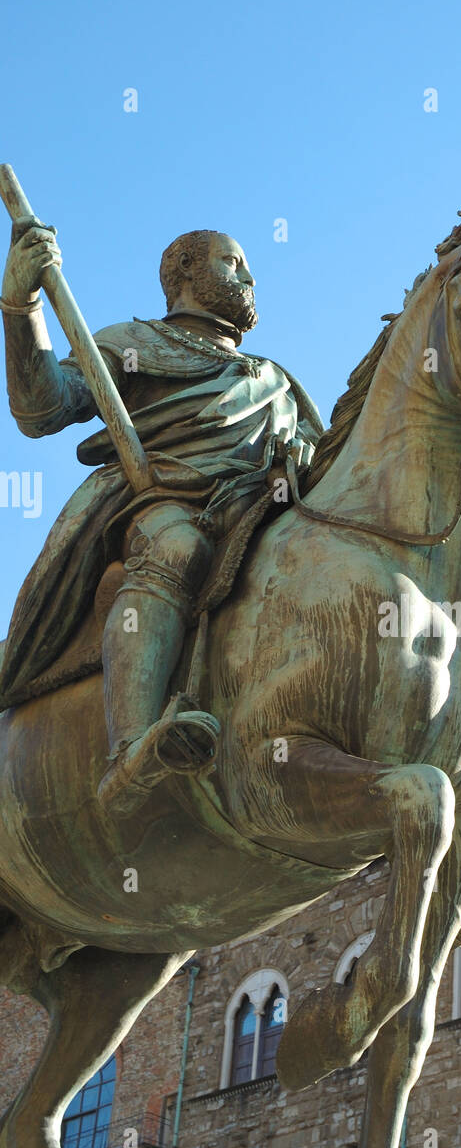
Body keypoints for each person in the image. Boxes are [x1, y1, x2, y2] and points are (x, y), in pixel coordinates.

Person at [1, 219, 322, 814]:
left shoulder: (275, 381)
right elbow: (42, 407)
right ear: (184, 274)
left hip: (263, 506)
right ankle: (130, 750)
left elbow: (326, 466)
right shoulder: (135, 341)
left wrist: (298, 463)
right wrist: (20, 305)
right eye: (232, 263)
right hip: (168, 503)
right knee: (175, 549)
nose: (249, 276)